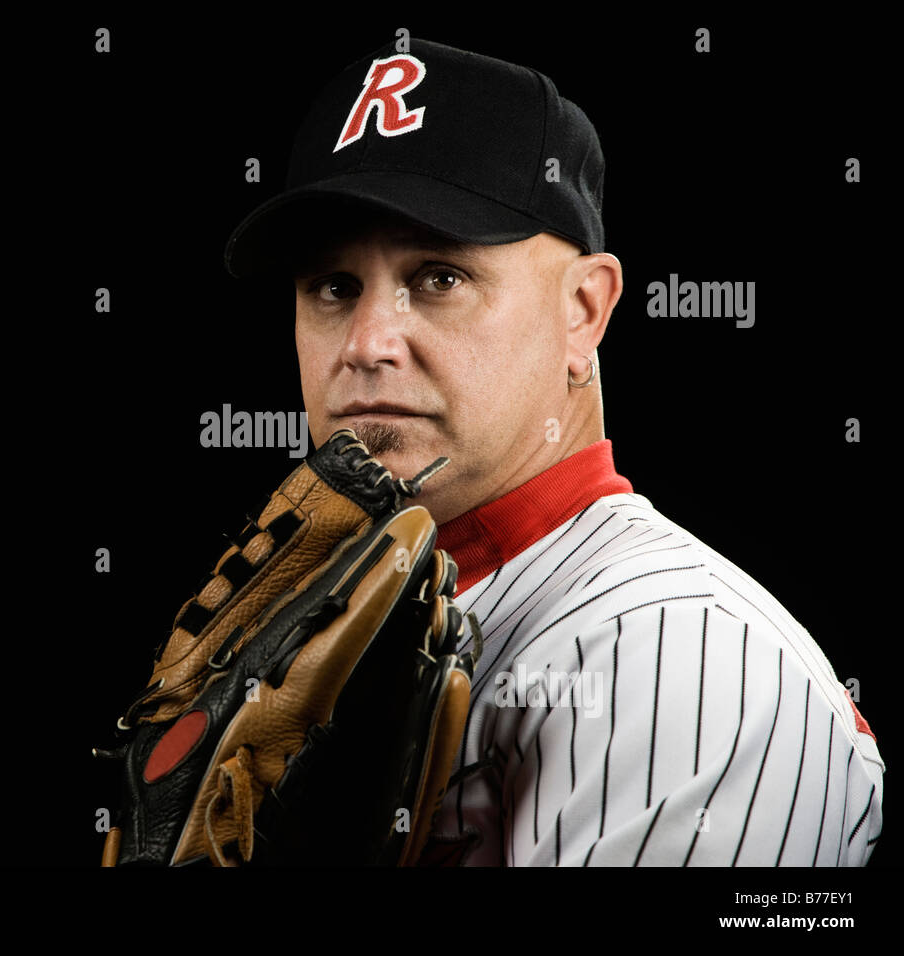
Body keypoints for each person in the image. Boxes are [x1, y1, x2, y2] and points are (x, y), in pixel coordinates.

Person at [222, 37, 883, 865]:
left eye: (438, 277)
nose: (366, 342)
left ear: (582, 312)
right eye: (333, 287)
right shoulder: (305, 634)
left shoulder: (681, 655)